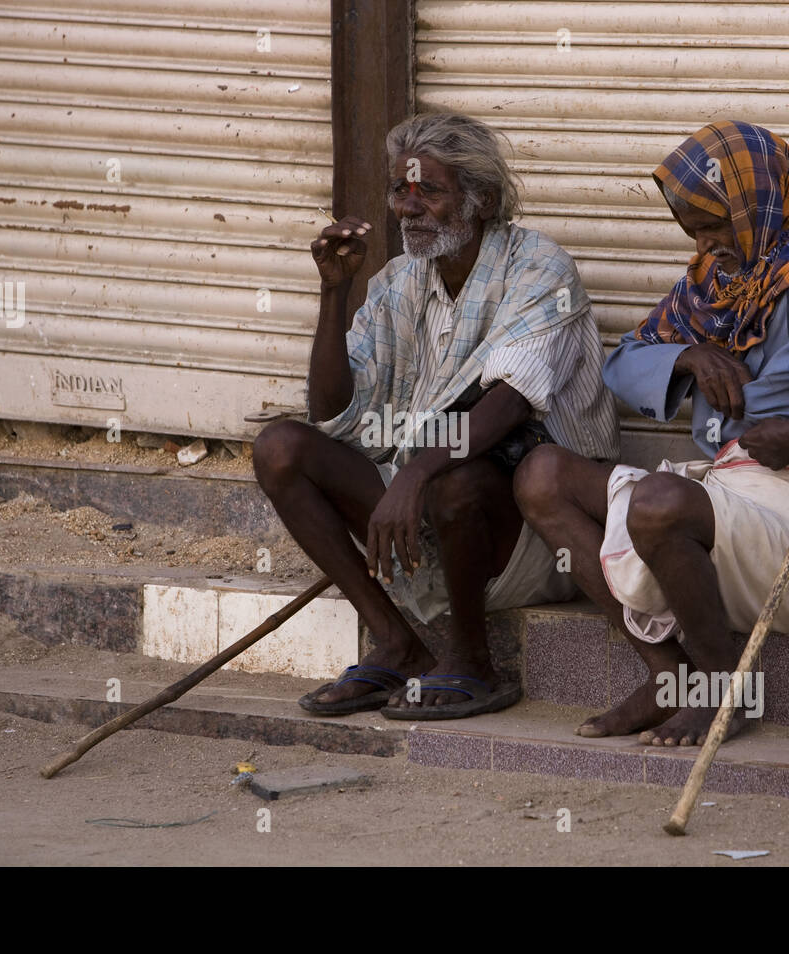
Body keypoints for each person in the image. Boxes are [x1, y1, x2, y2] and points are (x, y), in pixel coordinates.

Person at [514, 120, 789, 746]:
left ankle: (726, 689)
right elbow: (626, 360)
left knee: (659, 504)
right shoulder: (714, 285)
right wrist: (687, 358)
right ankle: (666, 675)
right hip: (730, 492)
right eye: (693, 230)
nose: (704, 244)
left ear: (756, 207)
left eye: (715, 226)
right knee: (542, 476)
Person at [253, 112, 619, 720]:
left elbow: (510, 400)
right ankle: (398, 644)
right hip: (424, 519)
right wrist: (334, 294)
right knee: (281, 447)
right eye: (402, 189)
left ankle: (473, 661)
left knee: (457, 474)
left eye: (431, 191)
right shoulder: (398, 281)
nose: (409, 207)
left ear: (482, 201)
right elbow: (334, 412)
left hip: (532, 533)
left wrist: (415, 475)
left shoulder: (539, 267)